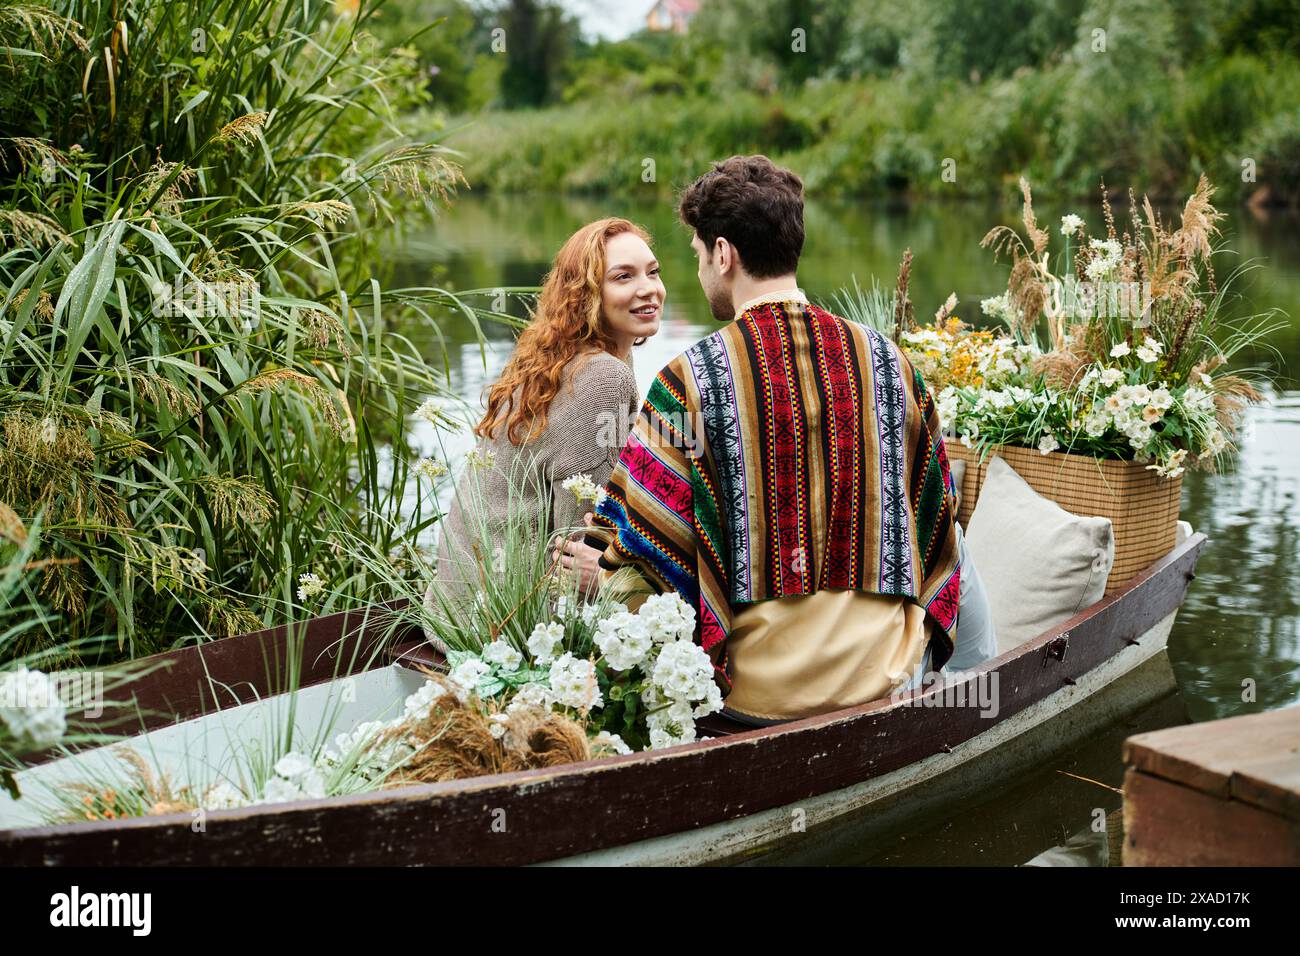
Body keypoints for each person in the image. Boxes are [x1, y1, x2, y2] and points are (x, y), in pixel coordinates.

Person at [555, 156, 995, 725]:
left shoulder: (690, 380)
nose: (697, 274)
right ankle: (976, 697)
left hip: (752, 697)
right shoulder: (887, 362)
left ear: (723, 254)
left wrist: (608, 570)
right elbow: (937, 518)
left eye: (694, 257)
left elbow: (648, 544)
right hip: (885, 675)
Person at [424, 218, 663, 634]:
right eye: (624, 277)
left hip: (454, 607)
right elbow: (581, 541)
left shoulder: (557, 360)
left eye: (653, 271)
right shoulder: (603, 376)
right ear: (588, 294)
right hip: (502, 624)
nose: (648, 288)